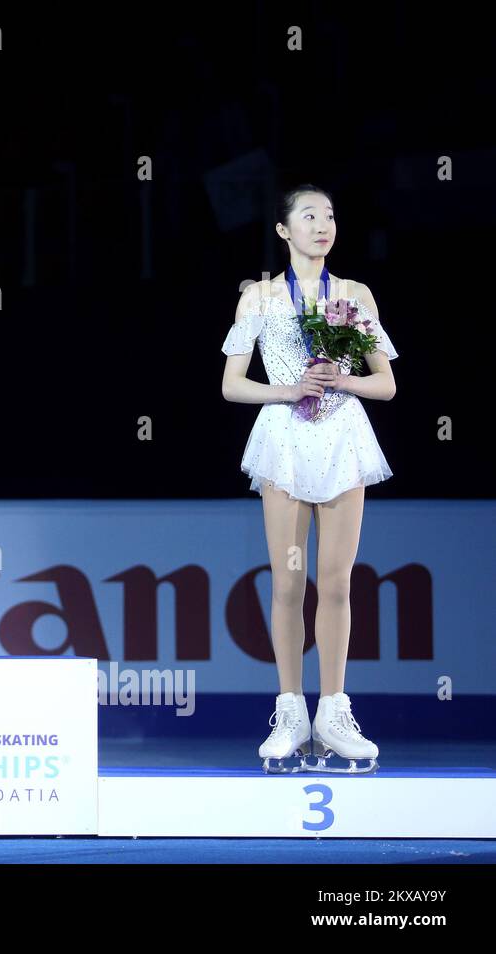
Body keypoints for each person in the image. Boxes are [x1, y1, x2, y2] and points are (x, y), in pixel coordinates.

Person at [221, 184, 398, 772]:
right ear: (283, 230)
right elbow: (231, 383)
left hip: (344, 440)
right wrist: (288, 389)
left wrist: (341, 381)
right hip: (286, 444)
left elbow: (386, 383)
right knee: (289, 582)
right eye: (308, 216)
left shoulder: (354, 294)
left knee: (337, 581)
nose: (322, 224)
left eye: (328, 215)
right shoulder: (261, 298)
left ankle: (335, 712)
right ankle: (291, 712)